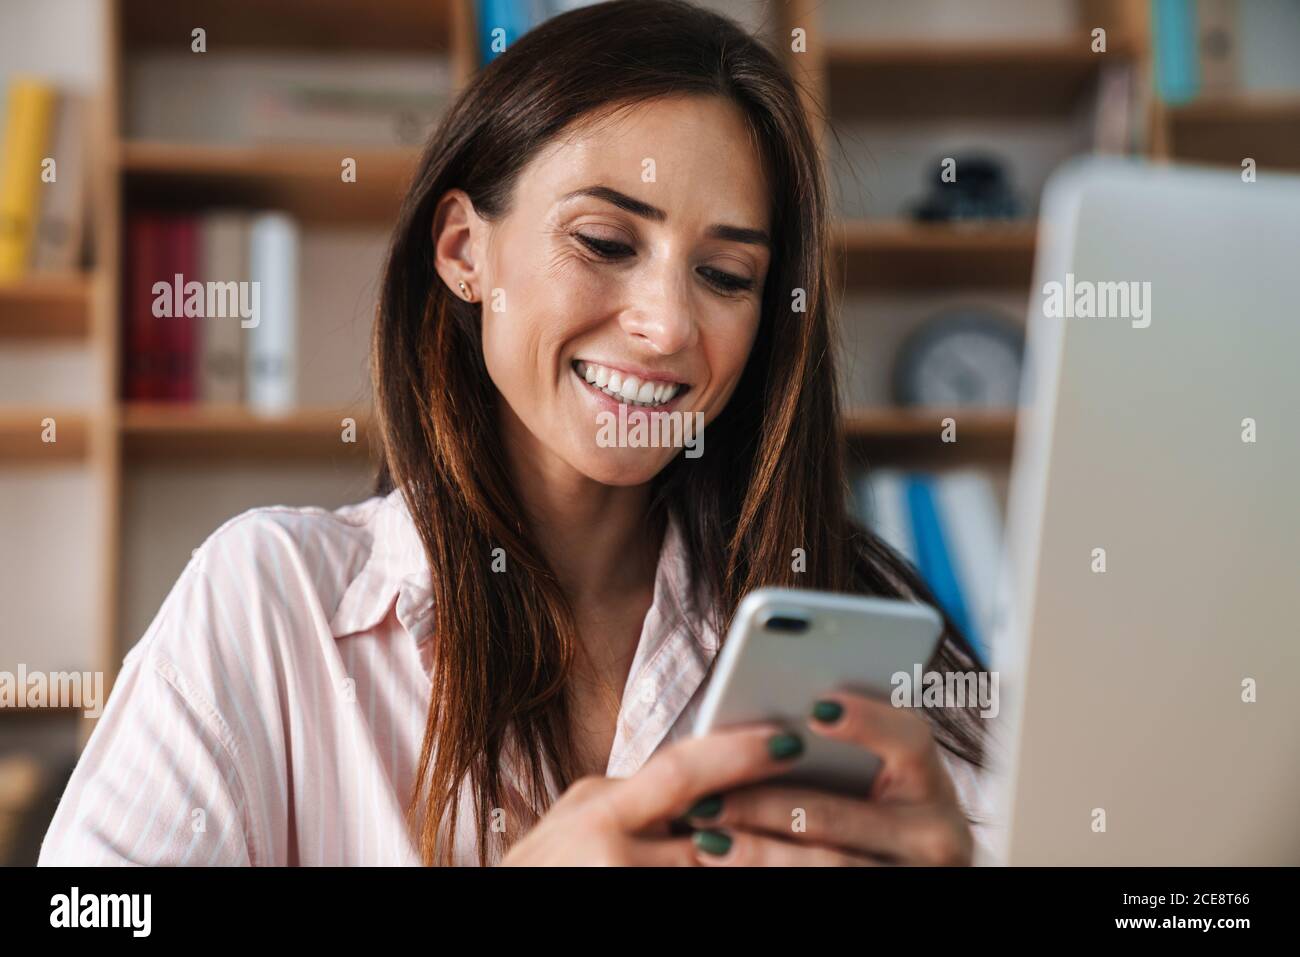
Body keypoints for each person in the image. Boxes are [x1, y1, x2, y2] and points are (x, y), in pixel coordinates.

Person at [39, 0, 993, 866]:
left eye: (727, 275)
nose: (668, 325)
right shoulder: (265, 604)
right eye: (607, 244)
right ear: (464, 251)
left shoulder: (853, 640)